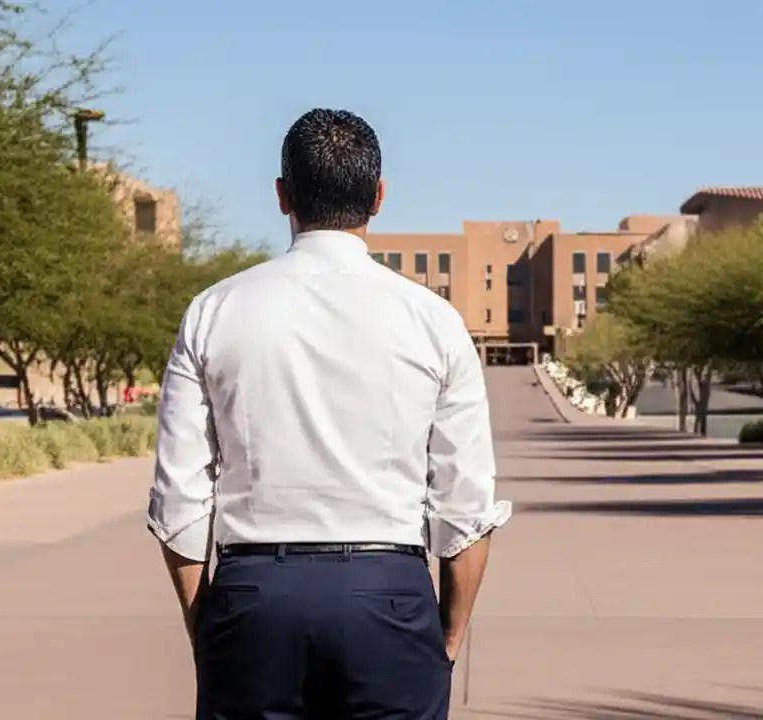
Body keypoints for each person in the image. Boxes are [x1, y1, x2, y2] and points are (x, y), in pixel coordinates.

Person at [147, 108, 509, 719]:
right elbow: (465, 506)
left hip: (253, 595)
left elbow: (180, 498)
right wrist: (445, 638)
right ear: (379, 197)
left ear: (282, 195)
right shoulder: (434, 321)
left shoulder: (213, 310)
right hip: (389, 597)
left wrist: (206, 627)